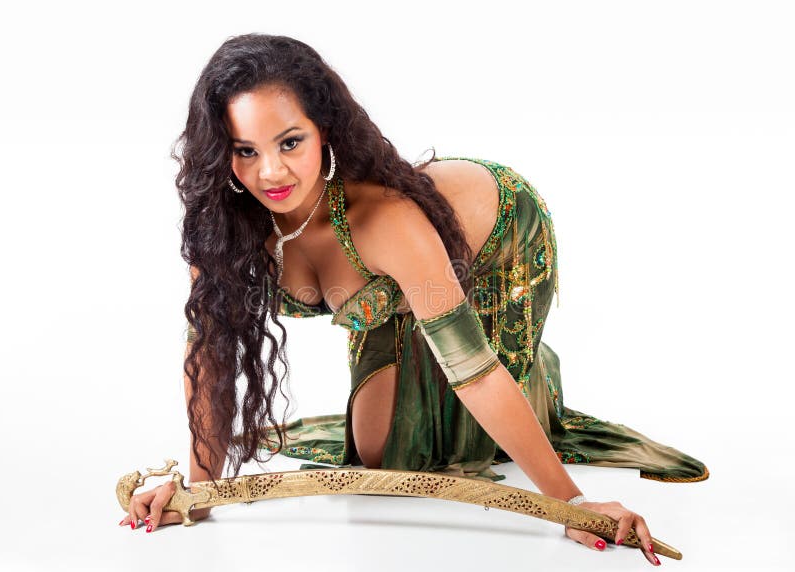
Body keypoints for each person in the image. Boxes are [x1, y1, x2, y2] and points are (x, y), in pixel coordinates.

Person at [119, 33, 708, 566]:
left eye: (290, 142)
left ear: (324, 129)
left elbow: (474, 372)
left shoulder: (386, 222)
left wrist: (571, 505)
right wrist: (199, 492)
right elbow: (211, 357)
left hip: (498, 244)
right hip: (399, 277)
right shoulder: (221, 234)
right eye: (244, 150)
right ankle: (412, 308)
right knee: (379, 451)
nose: (270, 171)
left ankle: (527, 371)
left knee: (428, 423)